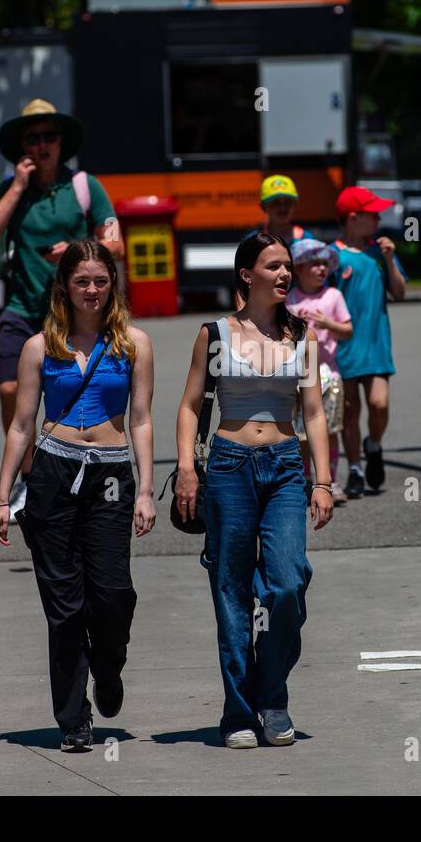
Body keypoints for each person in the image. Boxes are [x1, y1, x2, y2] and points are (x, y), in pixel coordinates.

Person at [0, 240, 154, 753]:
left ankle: (108, 670)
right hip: (54, 474)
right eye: (82, 281)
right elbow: (21, 425)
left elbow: (142, 420)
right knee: (64, 608)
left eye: (101, 281)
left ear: (113, 285)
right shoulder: (40, 346)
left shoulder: (134, 343)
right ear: (64, 285)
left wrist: (146, 489)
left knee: (112, 596)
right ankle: (74, 719)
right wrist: (2, 497)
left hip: (110, 475)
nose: (91, 291)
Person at [174, 232, 335, 749]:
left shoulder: (301, 336)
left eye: (288, 266)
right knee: (232, 590)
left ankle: (273, 694)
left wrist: (324, 482)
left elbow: (312, 412)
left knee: (287, 583)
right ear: (247, 275)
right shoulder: (215, 334)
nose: (286, 274)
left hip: (286, 467)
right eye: (273, 267)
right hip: (228, 466)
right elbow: (190, 404)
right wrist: (185, 468)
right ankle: (240, 712)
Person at [0, 99, 126, 523]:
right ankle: (29, 474)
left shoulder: (83, 186)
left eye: (50, 137)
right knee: (10, 391)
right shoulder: (10, 188)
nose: (43, 145)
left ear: (62, 143)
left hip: (72, 315)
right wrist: (18, 187)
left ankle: (84, 476)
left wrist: (75, 254)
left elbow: (115, 244)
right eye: (33, 138)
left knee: (68, 401)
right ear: (23, 146)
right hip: (23, 308)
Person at [330, 186, 408, 499]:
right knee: (349, 411)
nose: (379, 219)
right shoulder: (333, 256)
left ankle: (373, 444)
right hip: (344, 347)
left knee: (379, 403)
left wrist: (390, 261)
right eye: (372, 214)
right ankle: (356, 470)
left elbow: (399, 292)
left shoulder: (380, 252)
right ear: (352, 218)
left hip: (376, 344)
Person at [286, 237, 353, 504]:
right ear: (299, 268)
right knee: (301, 431)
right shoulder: (289, 298)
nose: (321, 269)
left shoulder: (333, 296)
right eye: (314, 264)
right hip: (299, 377)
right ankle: (305, 480)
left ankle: (332, 480)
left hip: (329, 373)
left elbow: (348, 330)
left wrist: (328, 323)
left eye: (325, 264)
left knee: (330, 429)